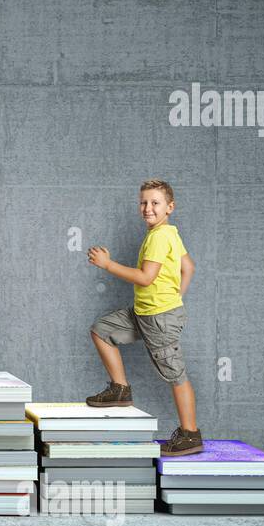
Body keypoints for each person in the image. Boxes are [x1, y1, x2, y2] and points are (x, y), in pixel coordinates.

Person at [85, 179, 203, 456]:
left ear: (169, 207)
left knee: (176, 375)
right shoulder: (169, 233)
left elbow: (146, 278)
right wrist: (177, 297)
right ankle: (120, 389)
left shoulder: (160, 237)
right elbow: (189, 267)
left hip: (159, 318)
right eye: (143, 202)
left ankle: (190, 434)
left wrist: (107, 264)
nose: (148, 208)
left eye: (155, 203)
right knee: (102, 330)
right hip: (143, 313)